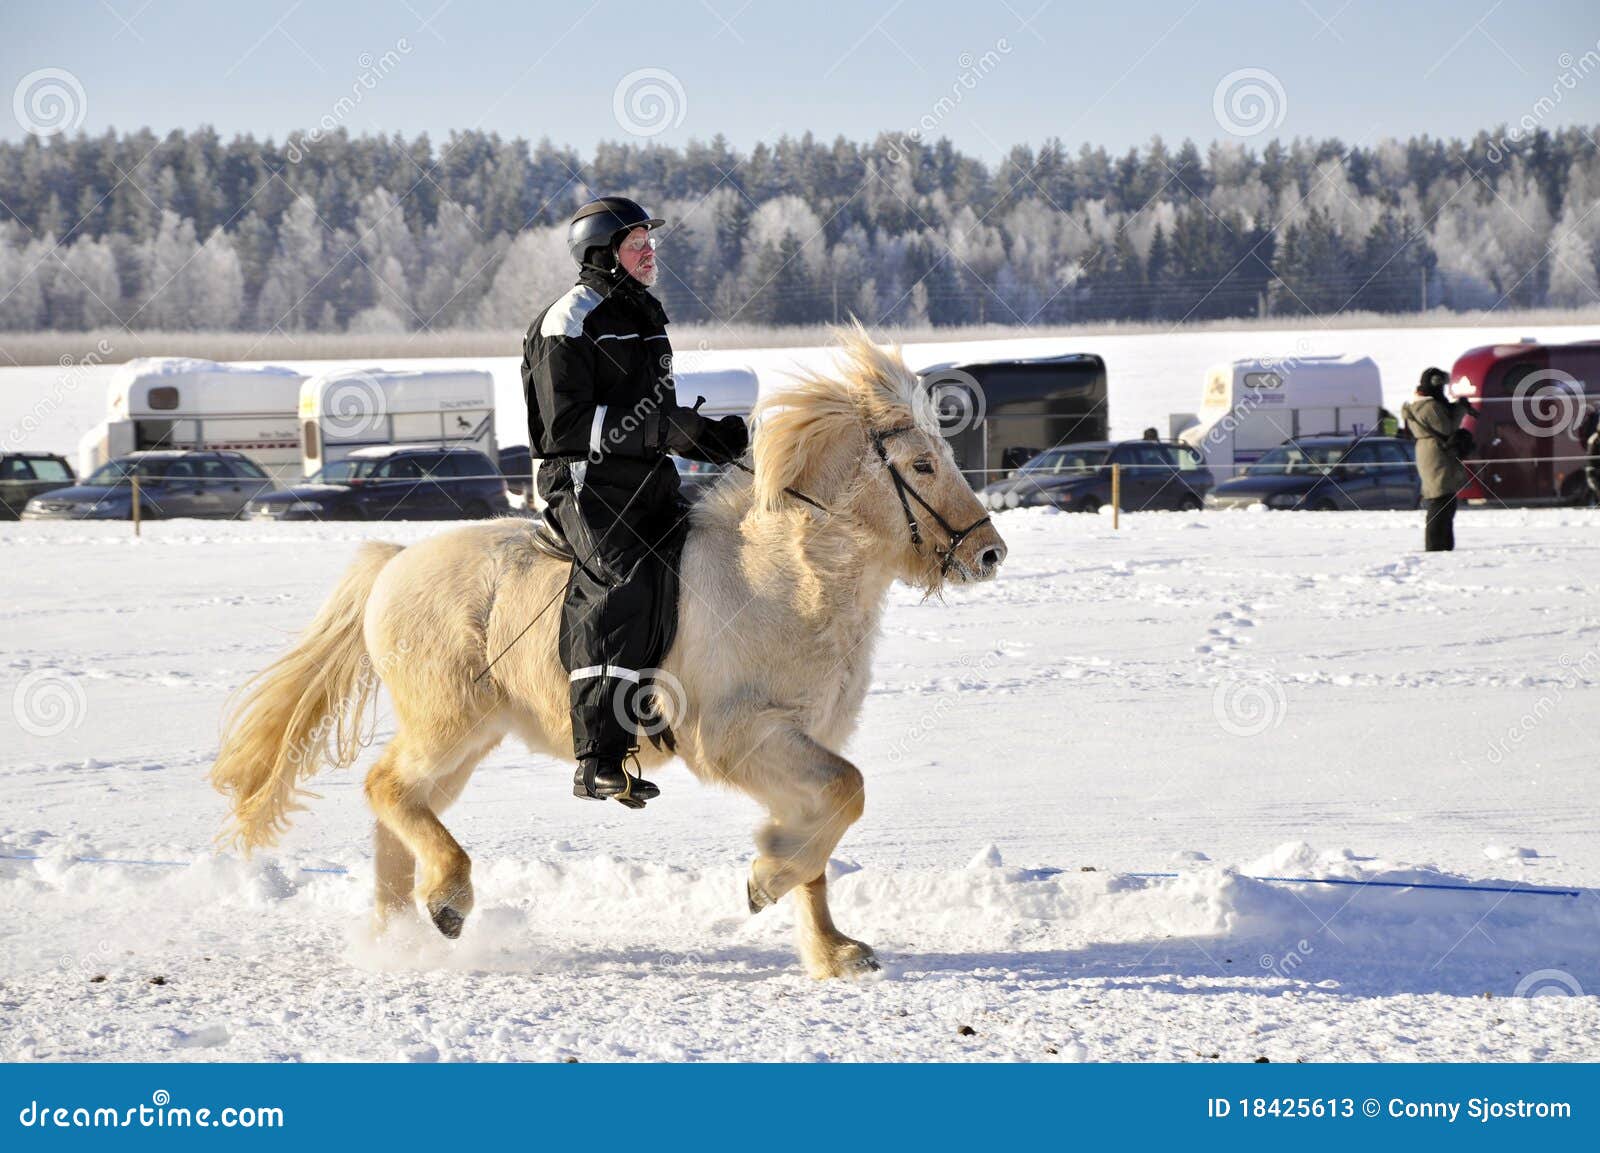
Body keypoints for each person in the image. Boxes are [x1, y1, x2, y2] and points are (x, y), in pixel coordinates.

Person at [521, 196, 749, 808]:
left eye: (650, 241)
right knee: (624, 581)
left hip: (647, 479)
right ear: (602, 254)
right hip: (582, 483)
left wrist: (705, 437)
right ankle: (597, 756)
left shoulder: (645, 315)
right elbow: (565, 426)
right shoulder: (568, 320)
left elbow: (653, 415)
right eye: (635, 242)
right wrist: (670, 430)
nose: (650, 251)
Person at [1400, 366, 1471, 552]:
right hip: (1436, 454)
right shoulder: (1430, 406)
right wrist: (1460, 410)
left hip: (1432, 452)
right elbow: (1447, 428)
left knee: (1444, 499)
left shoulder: (1425, 404)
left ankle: (1442, 544)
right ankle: (1437, 546)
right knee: (1441, 500)